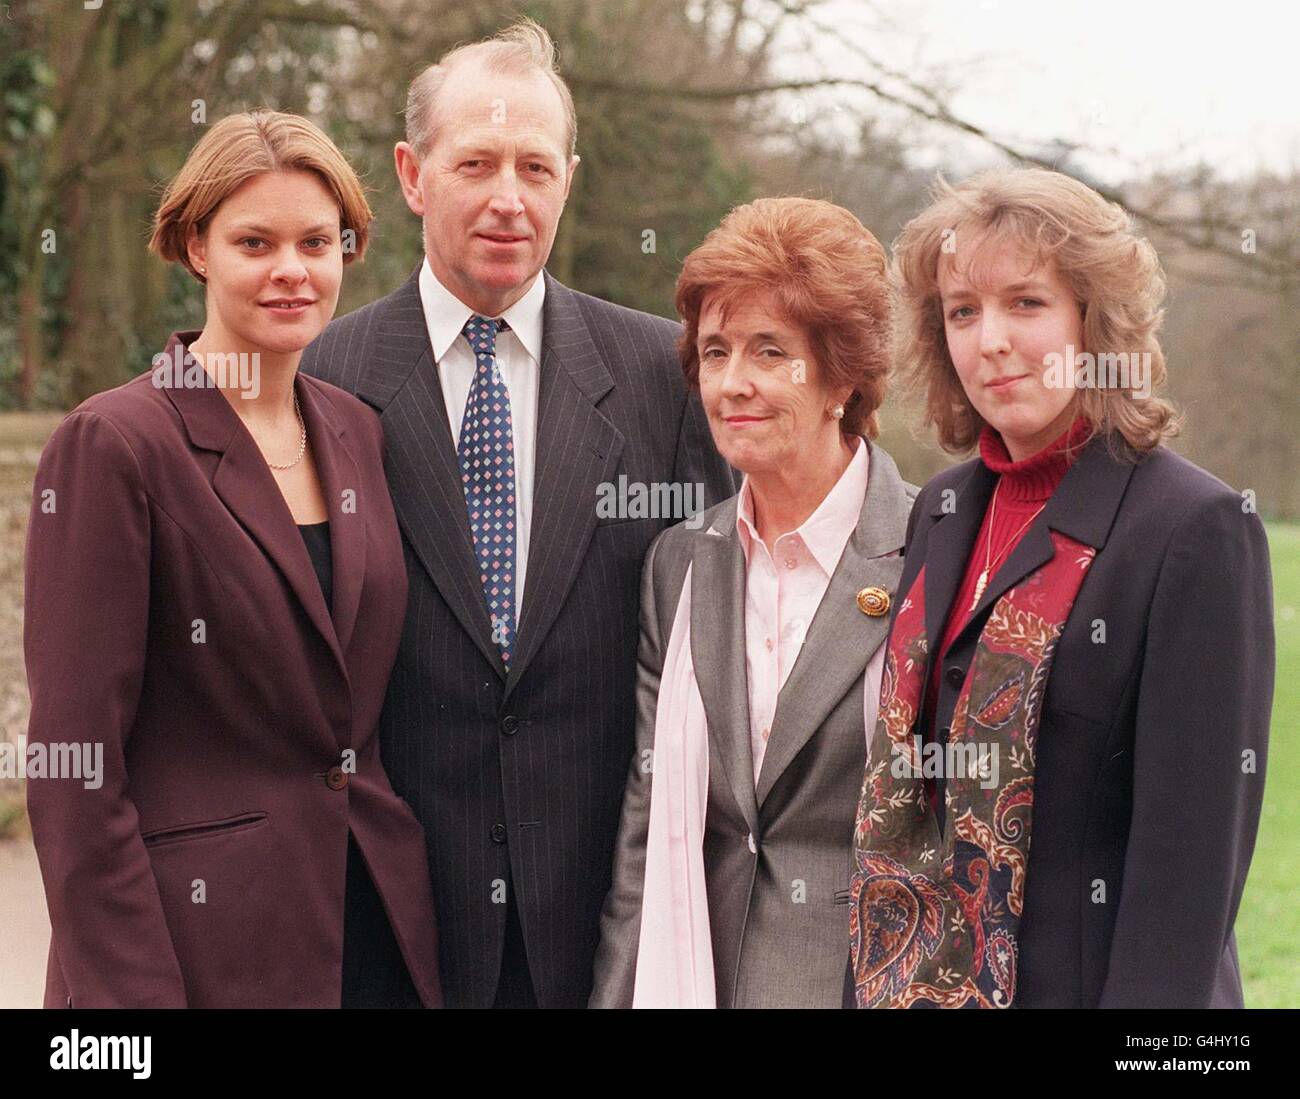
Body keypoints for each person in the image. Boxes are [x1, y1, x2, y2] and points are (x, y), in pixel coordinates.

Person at [299, 20, 734, 1008]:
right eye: (476, 163)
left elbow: (715, 656)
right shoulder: (323, 380)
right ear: (412, 175)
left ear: (568, 179)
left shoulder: (664, 380)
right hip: (387, 925)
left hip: (602, 925)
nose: (508, 197)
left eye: (535, 167)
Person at [24, 110, 442, 1008]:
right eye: (256, 241)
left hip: (368, 933)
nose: (292, 269)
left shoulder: (357, 430)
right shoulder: (116, 443)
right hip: (190, 956)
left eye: (317, 242)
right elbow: (72, 766)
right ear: (195, 246)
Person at [847, 167, 1273, 1008]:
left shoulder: (1195, 528)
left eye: (1026, 303)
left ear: (1096, 320)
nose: (991, 339)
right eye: (963, 311)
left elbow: (1188, 872)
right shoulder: (939, 509)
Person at [589, 197, 917, 1008]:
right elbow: (647, 824)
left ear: (842, 372)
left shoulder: (931, 554)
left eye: (770, 352)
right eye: (714, 351)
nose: (732, 383)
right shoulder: (681, 562)